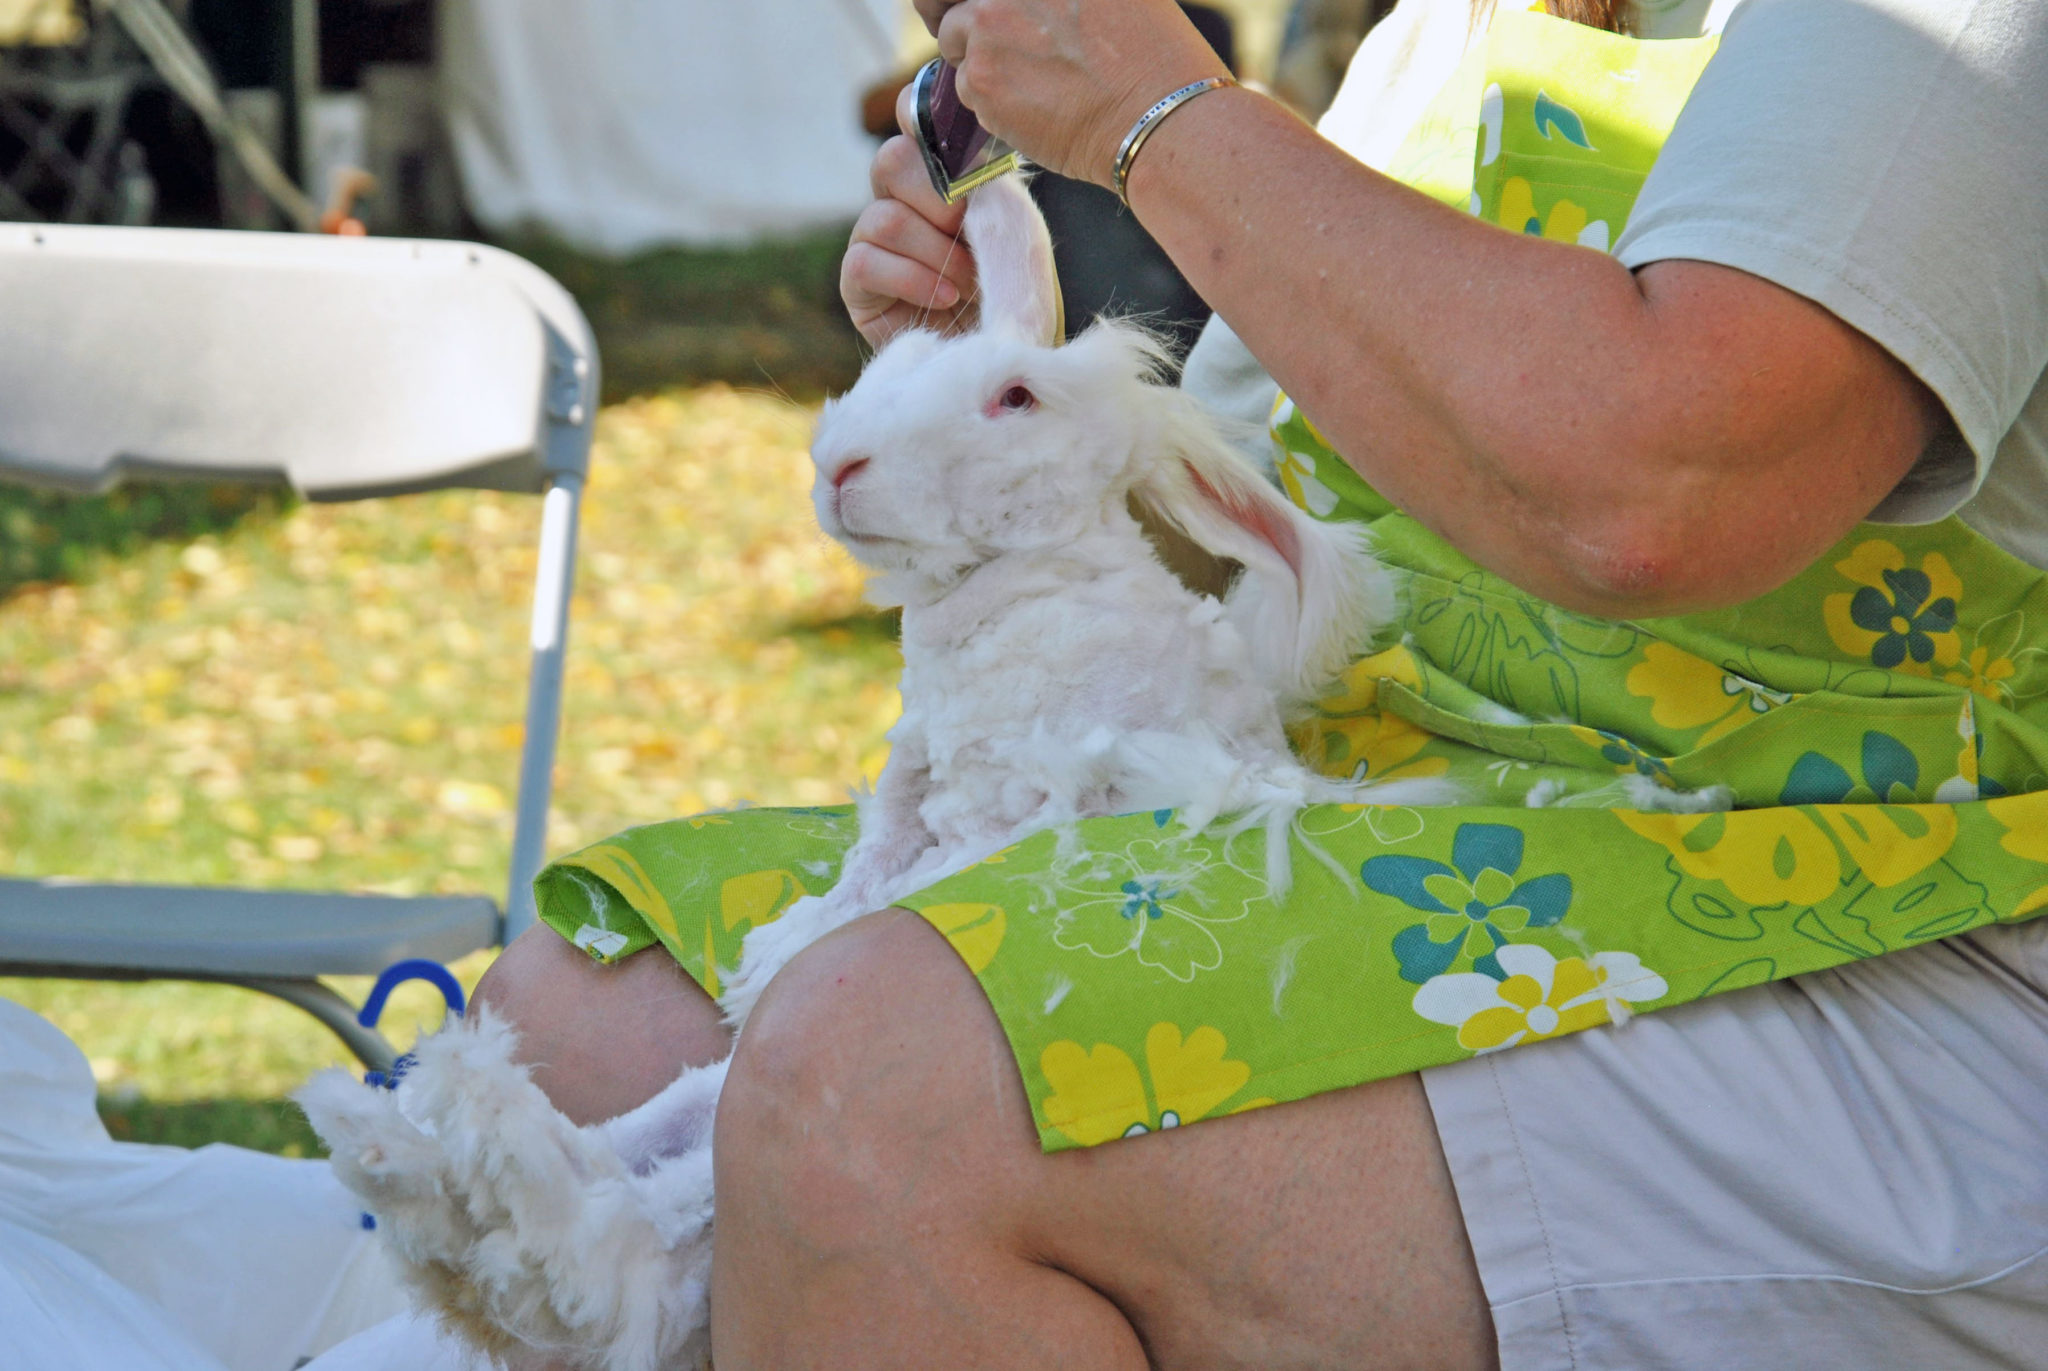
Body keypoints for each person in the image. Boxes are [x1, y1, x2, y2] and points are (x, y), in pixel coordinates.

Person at [480, 0, 2048, 1366]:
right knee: (595, 1017)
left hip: (1903, 931)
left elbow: (1656, 485)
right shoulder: (1476, 18)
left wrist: (1155, 115)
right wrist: (1014, 416)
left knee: (886, 1089)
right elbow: (1236, 527)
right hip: (1442, 829)